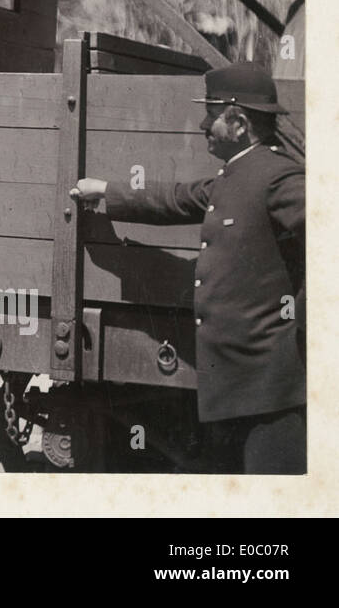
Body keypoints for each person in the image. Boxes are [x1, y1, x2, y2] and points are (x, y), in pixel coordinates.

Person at [72, 63, 304, 474]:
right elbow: (178, 199)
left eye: (211, 115)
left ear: (238, 121)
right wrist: (107, 191)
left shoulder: (279, 178)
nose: (203, 124)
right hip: (236, 383)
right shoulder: (236, 175)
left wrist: (299, 332)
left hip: (270, 390)